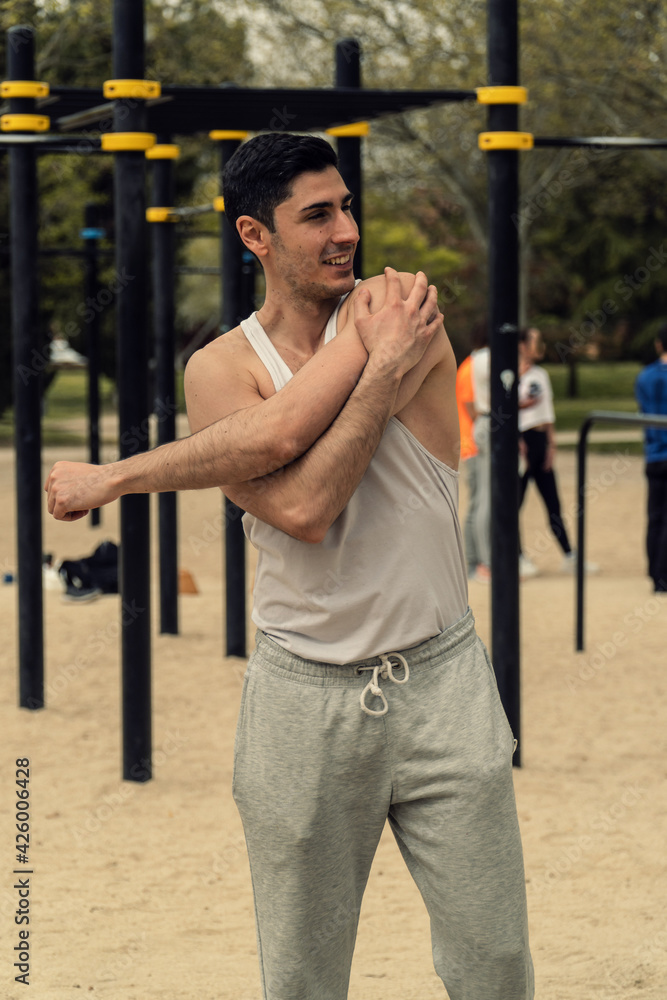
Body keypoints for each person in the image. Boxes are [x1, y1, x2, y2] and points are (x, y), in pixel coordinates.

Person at [46, 133, 533, 1000]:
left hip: (441, 679)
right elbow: (302, 503)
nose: (345, 230)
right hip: (300, 703)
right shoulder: (221, 369)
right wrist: (375, 365)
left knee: (494, 963)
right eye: (316, 215)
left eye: (347, 206)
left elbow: (280, 442)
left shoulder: (401, 308)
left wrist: (116, 477)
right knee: (303, 978)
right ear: (254, 236)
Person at [517, 327, 595, 576]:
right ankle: (517, 557)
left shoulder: (540, 374)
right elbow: (502, 409)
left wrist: (551, 444)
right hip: (522, 442)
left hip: (540, 440)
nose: (539, 346)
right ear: (521, 345)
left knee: (553, 502)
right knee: (514, 504)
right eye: (535, 341)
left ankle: (570, 556)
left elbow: (547, 411)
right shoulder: (509, 375)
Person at [635, 325, 667, 593]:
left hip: (654, 453)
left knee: (655, 515)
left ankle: (655, 574)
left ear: (659, 344)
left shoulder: (644, 376)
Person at [455, 323, 487, 579]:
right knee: (479, 503)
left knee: (478, 502)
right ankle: (476, 562)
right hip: (474, 445)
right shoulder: (470, 369)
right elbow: (471, 408)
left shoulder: (472, 365)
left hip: (473, 443)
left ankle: (475, 562)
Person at [470, 339, 491, 581]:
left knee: (484, 498)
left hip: (486, 422)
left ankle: (485, 561)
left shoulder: (477, 358)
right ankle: (485, 562)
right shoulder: (488, 359)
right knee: (486, 499)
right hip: (489, 422)